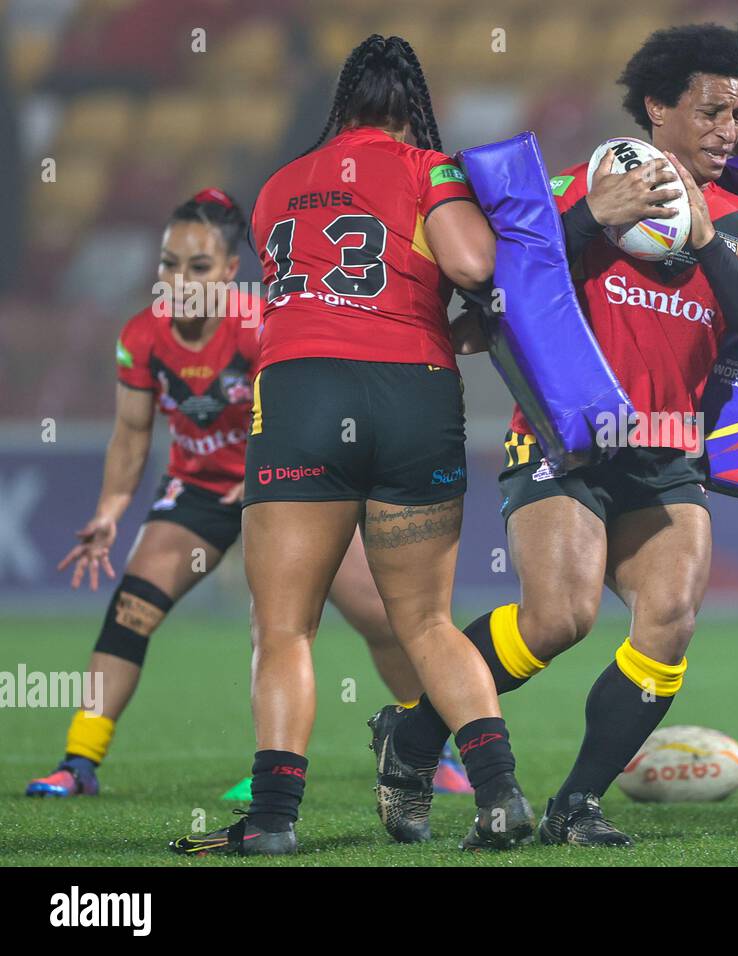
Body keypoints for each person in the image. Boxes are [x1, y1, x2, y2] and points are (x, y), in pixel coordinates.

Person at [374, 23, 738, 847]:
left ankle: (576, 806)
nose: (727, 130)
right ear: (656, 106)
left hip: (669, 449)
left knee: (670, 614)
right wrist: (586, 221)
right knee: (558, 617)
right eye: (710, 110)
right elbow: (494, 283)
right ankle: (416, 732)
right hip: (562, 439)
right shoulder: (576, 184)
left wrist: (711, 242)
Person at [170, 35, 530, 857]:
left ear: (341, 104)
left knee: (286, 628)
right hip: (413, 393)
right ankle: (500, 795)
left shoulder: (278, 186)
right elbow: (475, 265)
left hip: (301, 393)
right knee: (429, 623)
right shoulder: (427, 167)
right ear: (413, 108)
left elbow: (305, 286)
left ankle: (270, 821)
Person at [23, 189, 466, 800]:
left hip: (291, 488)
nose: (178, 278)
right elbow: (130, 436)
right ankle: (78, 763)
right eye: (168, 263)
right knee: (131, 610)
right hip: (201, 492)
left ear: (231, 272)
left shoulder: (262, 325)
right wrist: (110, 509)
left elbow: (308, 409)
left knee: (381, 618)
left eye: (197, 266)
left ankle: (426, 753)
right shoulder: (141, 337)